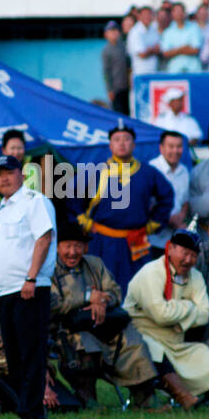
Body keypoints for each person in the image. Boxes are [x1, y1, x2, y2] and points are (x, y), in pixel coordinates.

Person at [124, 227, 209, 406]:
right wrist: (190, 306)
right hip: (142, 336)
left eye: (193, 255)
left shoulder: (195, 276)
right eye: (184, 253)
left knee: (206, 358)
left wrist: (177, 314)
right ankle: (184, 397)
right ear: (171, 248)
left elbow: (204, 314)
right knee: (155, 351)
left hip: (176, 339)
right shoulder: (151, 273)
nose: (188, 260)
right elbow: (161, 315)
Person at [49, 223, 165, 408]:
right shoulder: (49, 269)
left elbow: (115, 292)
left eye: (78, 246)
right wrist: (88, 298)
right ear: (57, 247)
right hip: (67, 331)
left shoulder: (95, 264)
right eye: (67, 246)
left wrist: (102, 301)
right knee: (84, 343)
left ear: (85, 247)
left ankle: (145, 399)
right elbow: (53, 304)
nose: (73, 252)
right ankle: (88, 400)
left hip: (102, 325)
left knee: (133, 340)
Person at [0, 153, 57, 419]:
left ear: (21, 174)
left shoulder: (34, 202)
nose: (4, 178)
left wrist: (31, 278)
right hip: (5, 290)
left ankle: (32, 414)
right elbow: (0, 254)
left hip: (29, 288)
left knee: (30, 352)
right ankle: (25, 408)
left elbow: (44, 238)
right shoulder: (1, 210)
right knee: (14, 355)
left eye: (9, 172)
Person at [69, 121, 174, 292]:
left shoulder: (148, 173)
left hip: (137, 240)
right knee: (101, 287)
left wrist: (154, 224)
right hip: (103, 240)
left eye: (126, 139)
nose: (122, 143)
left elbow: (166, 196)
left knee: (138, 289)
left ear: (133, 144)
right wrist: (84, 222)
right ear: (110, 145)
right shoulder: (95, 170)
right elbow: (72, 196)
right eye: (117, 139)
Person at [146, 129, 190, 256]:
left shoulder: (184, 171)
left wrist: (181, 217)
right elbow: (146, 204)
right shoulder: (151, 169)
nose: (175, 151)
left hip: (177, 241)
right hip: (155, 241)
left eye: (179, 147)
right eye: (171, 146)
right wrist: (170, 220)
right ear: (161, 148)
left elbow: (185, 201)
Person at [101, 19, 130, 113]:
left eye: (115, 30)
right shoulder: (106, 51)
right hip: (116, 88)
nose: (113, 33)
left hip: (127, 86)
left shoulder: (124, 46)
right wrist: (109, 90)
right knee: (119, 111)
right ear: (106, 34)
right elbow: (106, 71)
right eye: (111, 31)